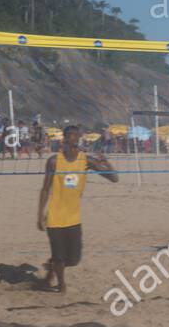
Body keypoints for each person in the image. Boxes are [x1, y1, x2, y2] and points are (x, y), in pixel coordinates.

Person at [38, 124, 119, 293]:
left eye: (77, 135)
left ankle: (53, 267)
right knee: (59, 256)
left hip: (73, 217)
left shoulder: (86, 160)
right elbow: (45, 189)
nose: (76, 137)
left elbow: (114, 178)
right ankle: (61, 285)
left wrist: (107, 163)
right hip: (54, 216)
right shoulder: (53, 161)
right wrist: (40, 215)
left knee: (74, 259)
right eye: (72, 135)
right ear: (65, 139)